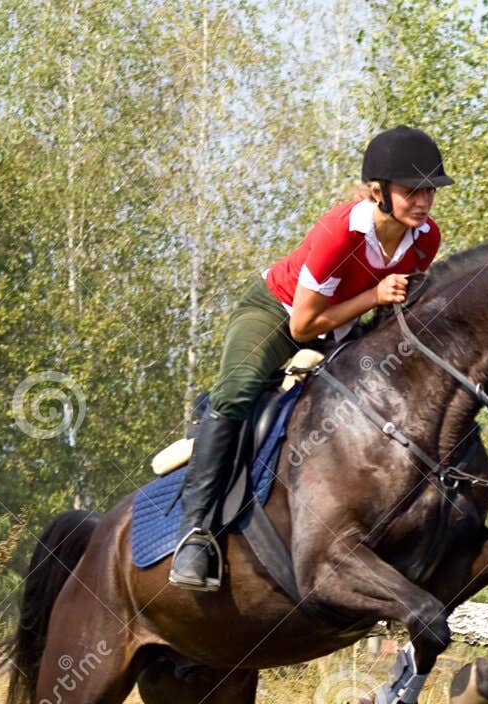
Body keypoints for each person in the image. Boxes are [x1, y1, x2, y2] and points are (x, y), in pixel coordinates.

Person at [169, 125, 452, 590]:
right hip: (278, 315)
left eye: (429, 191)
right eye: (411, 191)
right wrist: (375, 296)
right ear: (377, 192)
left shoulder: (425, 239)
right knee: (238, 392)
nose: (423, 201)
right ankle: (195, 533)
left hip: (340, 329)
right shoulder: (338, 233)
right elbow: (303, 326)